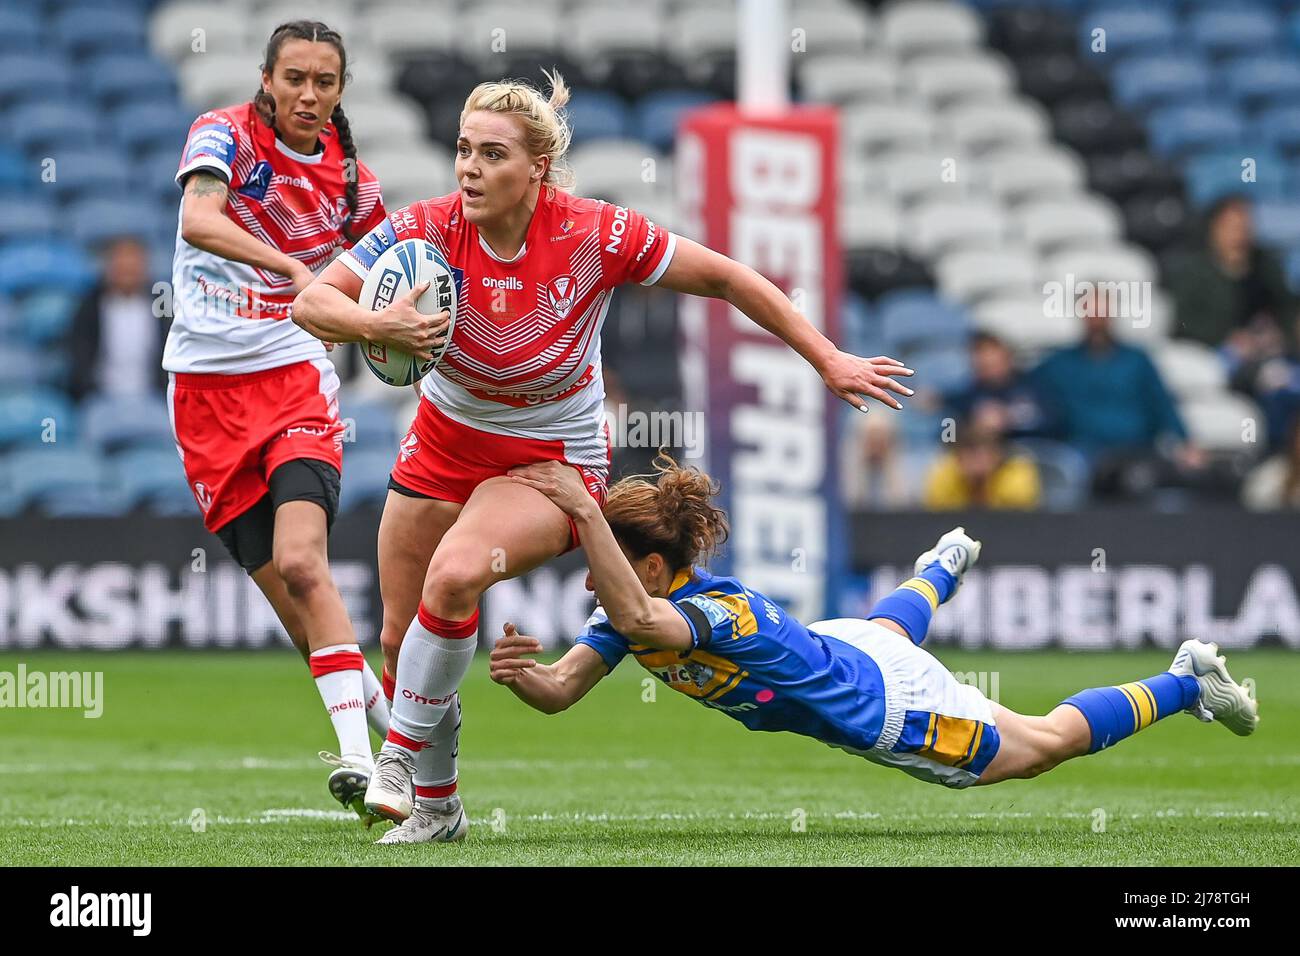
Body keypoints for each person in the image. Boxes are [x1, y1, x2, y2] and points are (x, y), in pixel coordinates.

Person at [291, 71, 916, 844]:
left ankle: (399, 757)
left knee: (455, 577)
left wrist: (825, 358)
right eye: (462, 151)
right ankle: (440, 808)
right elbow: (311, 301)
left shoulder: (595, 233)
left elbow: (725, 276)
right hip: (444, 442)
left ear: (537, 170)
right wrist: (371, 323)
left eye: (491, 154)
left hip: (548, 456)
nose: (470, 169)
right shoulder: (425, 229)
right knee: (397, 633)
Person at [490, 455, 1257, 807]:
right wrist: (527, 677)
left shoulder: (708, 615)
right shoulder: (636, 614)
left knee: (1040, 746)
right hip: (847, 645)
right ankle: (940, 571)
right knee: (889, 627)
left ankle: (1186, 679)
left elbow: (632, 615)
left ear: (652, 569)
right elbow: (561, 692)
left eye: (601, 564)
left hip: (887, 705)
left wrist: (585, 510)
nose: (590, 581)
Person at [163, 20, 424, 820]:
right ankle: (395, 746)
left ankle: (356, 762)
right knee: (295, 604)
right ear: (267, 79)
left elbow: (382, 282)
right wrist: (289, 265)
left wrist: (398, 328)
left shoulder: (357, 186)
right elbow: (197, 222)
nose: (309, 95)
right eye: (295, 79)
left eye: (326, 82)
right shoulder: (224, 136)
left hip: (297, 385)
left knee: (306, 564)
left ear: (343, 90)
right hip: (205, 395)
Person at [1032, 283, 1204, 498]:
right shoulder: (1059, 364)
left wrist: (1185, 442)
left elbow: (1162, 404)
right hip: (1084, 454)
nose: (1096, 317)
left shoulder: (1137, 361)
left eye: (1102, 311)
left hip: (1136, 451)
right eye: (1090, 310)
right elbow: (1026, 392)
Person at [67, 235, 168, 402]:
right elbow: (79, 356)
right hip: (100, 398)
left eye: (133, 264)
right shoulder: (89, 307)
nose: (127, 271)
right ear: (108, 267)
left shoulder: (163, 307)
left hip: (155, 397)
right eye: (121, 264)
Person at [942, 331, 1055, 441]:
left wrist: (1009, 420)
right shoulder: (967, 396)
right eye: (984, 365)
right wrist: (972, 425)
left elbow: (1054, 423)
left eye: (994, 363)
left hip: (1030, 451)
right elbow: (947, 436)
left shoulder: (1034, 385)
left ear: (1008, 357)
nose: (991, 369)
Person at [922, 417, 1041, 510]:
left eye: (983, 455)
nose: (977, 462)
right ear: (958, 457)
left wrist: (984, 485)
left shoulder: (1017, 471)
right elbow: (936, 511)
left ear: (997, 455)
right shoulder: (945, 472)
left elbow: (1019, 514)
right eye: (971, 454)